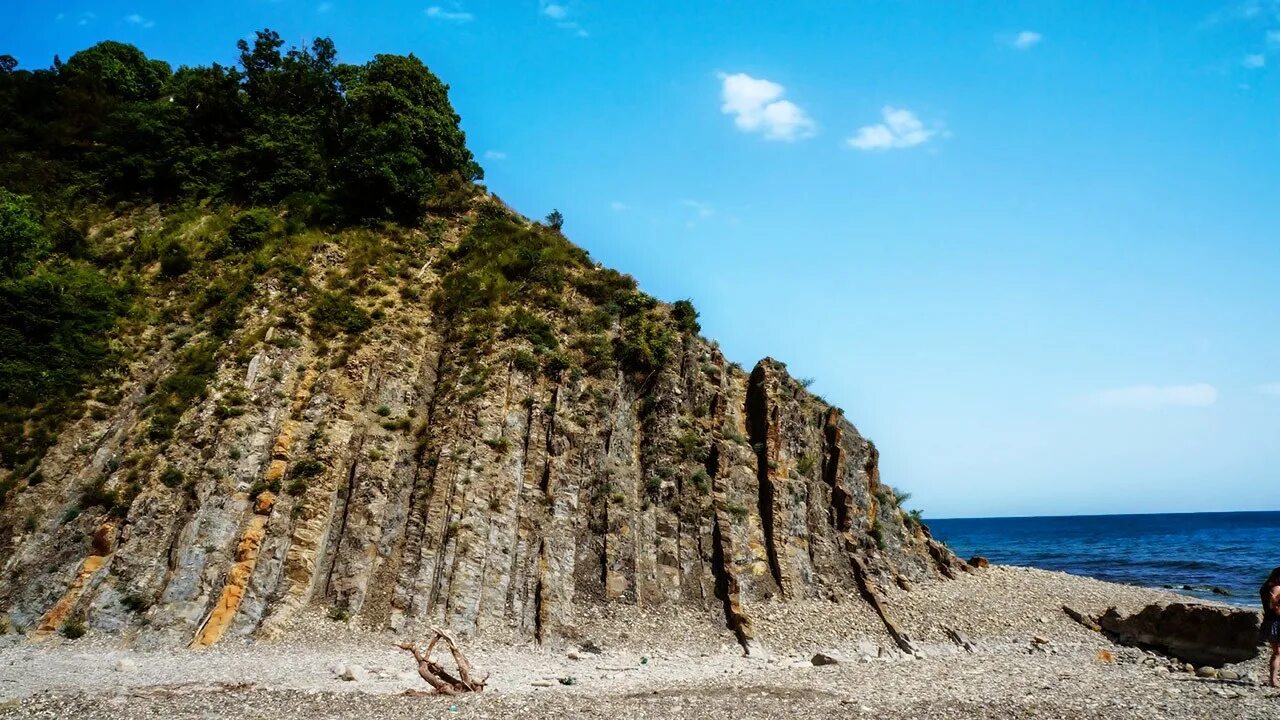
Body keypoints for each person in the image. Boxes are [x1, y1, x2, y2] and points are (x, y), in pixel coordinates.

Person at [1264, 566, 1280, 688]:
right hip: (1277, 622)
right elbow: (1275, 610)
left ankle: (1273, 680)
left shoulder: (1265, 588)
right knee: (1277, 653)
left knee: (1276, 652)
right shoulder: (1277, 589)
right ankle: (1274, 680)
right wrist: (1275, 603)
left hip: (1269, 622)